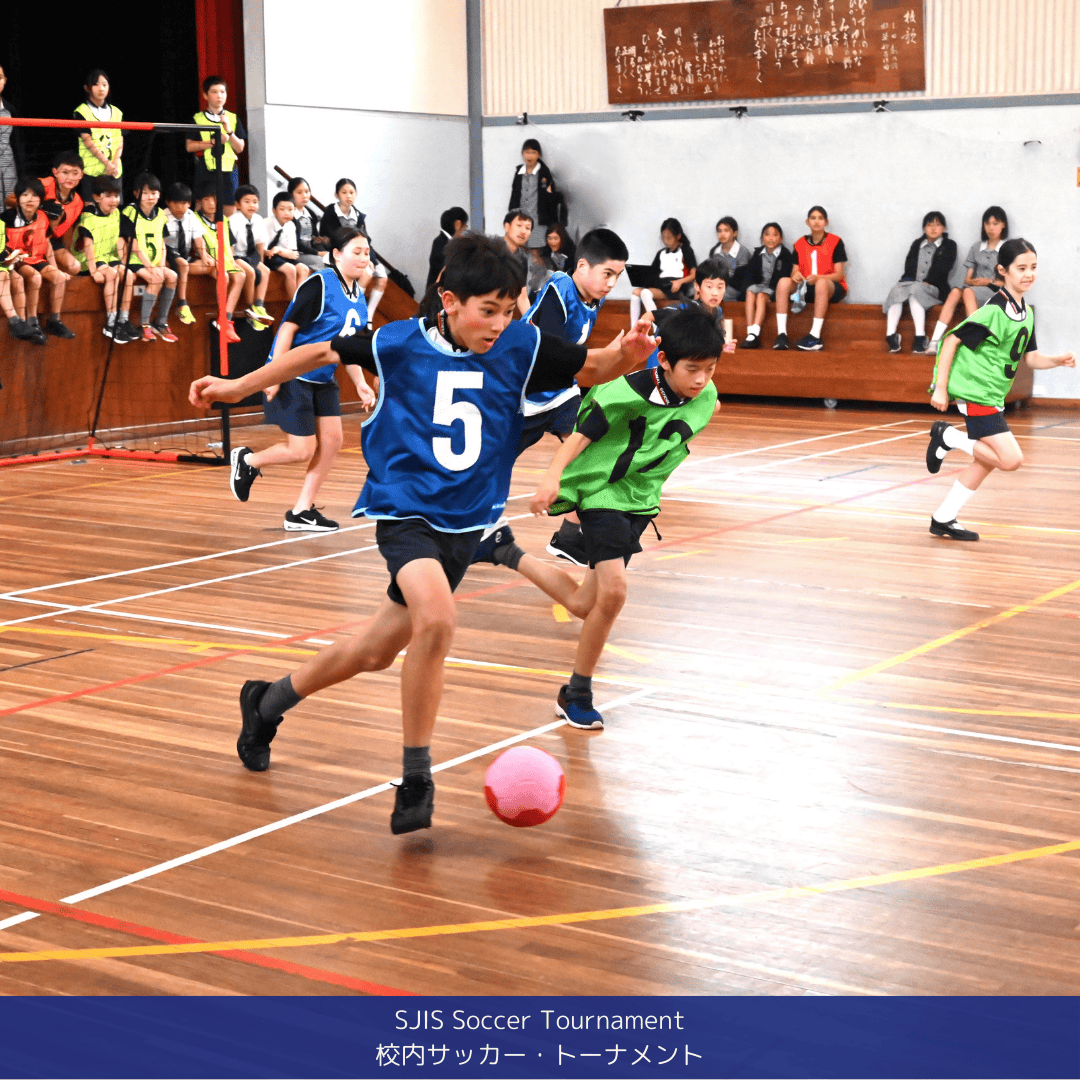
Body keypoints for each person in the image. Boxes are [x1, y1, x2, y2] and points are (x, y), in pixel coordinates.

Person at [187, 233, 657, 833]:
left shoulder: (520, 342)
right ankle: (416, 777)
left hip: (468, 523)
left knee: (374, 651)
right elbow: (320, 354)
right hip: (405, 513)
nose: (499, 323)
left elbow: (593, 366)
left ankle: (266, 701)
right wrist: (237, 386)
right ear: (449, 298)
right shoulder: (397, 341)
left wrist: (629, 355)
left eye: (509, 310)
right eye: (488, 310)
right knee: (437, 620)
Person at [493, 309, 722, 731]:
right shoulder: (620, 394)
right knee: (614, 591)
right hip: (601, 495)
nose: (701, 380)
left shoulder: (706, 399)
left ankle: (504, 550)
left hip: (639, 501)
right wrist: (551, 481)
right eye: (692, 369)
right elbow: (575, 440)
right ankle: (578, 691)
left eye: (710, 369)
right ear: (664, 360)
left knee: (585, 604)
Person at [492, 227, 630, 569]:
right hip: (521, 394)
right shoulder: (560, 291)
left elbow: (571, 360)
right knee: (491, 466)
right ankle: (467, 524)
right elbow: (552, 352)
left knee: (593, 453)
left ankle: (568, 538)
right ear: (582, 267)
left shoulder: (592, 296)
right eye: (607, 273)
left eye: (618, 276)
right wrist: (610, 354)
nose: (612, 283)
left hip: (560, 392)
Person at [227, 227, 377, 532]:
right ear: (336, 255)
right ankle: (249, 462)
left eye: (366, 253)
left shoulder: (359, 298)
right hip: (295, 373)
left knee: (333, 442)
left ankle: (301, 511)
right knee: (302, 450)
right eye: (356, 252)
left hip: (324, 378)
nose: (363, 258)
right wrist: (274, 373)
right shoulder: (319, 284)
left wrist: (360, 383)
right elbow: (287, 329)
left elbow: (345, 349)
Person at [924, 238, 1074, 541]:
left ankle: (943, 518)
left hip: (993, 395)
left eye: (1033, 267)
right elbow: (952, 340)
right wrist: (940, 388)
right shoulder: (994, 311)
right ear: (1002, 271)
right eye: (1021, 268)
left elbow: (1030, 358)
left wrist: (1056, 360)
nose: (1029, 273)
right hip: (976, 394)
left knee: (985, 462)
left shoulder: (1026, 312)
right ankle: (947, 435)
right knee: (1010, 459)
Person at [924, 206, 1008, 354]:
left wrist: (988, 282)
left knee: (968, 292)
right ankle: (935, 341)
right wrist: (975, 281)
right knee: (956, 292)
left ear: (1003, 225)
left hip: (996, 290)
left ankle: (976, 337)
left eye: (995, 223)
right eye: (987, 223)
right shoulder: (976, 247)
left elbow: (1008, 283)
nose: (991, 227)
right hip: (974, 289)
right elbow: (967, 279)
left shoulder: (1007, 249)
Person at [1, 176, 72, 344]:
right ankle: (31, 321)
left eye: (34, 196)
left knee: (60, 278)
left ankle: (54, 320)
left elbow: (46, 243)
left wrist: (55, 268)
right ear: (18, 198)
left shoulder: (42, 216)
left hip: (36, 258)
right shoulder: (6, 218)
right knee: (35, 276)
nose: (29, 199)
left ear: (40, 200)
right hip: (15, 261)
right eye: (25, 195)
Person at [883, 211, 957, 355]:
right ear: (924, 228)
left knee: (915, 290)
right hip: (913, 284)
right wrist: (908, 282)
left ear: (944, 228)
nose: (933, 228)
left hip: (935, 287)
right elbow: (909, 266)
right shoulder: (917, 244)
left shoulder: (949, 245)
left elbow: (945, 267)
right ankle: (891, 335)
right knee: (897, 289)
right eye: (929, 225)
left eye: (937, 225)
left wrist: (930, 281)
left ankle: (920, 337)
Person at [775, 205, 847, 352]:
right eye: (813, 218)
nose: (816, 222)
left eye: (820, 218)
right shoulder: (800, 243)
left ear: (826, 222)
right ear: (807, 222)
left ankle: (815, 336)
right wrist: (796, 276)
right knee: (783, 282)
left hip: (831, 287)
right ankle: (781, 334)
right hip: (806, 287)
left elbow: (839, 274)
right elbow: (794, 271)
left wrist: (819, 278)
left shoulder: (836, 241)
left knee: (821, 283)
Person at [74, 175, 136, 342]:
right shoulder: (88, 215)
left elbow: (119, 241)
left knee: (129, 275)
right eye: (108, 196)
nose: (113, 200)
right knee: (112, 275)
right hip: (89, 259)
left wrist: (123, 261)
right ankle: (110, 323)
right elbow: (87, 245)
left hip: (108, 257)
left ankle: (123, 320)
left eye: (116, 196)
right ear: (96, 197)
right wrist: (93, 270)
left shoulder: (116, 214)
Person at [318, 180, 386, 328]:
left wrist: (369, 258)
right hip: (341, 255)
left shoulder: (358, 215)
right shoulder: (330, 214)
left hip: (358, 254)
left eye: (351, 192)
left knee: (382, 277)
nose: (348, 196)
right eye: (344, 192)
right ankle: (351, 308)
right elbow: (327, 239)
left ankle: (368, 317)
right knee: (365, 274)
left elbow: (366, 240)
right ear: (337, 195)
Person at [121, 172, 178, 341]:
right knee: (155, 279)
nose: (150, 197)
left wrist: (160, 264)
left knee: (173, 276)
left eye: (153, 193)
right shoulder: (130, 212)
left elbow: (161, 242)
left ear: (159, 195)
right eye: (145, 193)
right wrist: (149, 267)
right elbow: (134, 245)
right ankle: (144, 325)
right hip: (136, 261)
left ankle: (161, 322)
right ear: (136, 194)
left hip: (154, 261)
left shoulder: (160, 214)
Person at [186, 75, 246, 215]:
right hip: (206, 169)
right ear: (205, 95)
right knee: (202, 207)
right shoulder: (197, 118)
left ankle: (226, 236)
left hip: (229, 170)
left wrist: (229, 131)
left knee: (229, 209)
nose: (219, 96)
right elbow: (189, 146)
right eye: (214, 92)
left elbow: (240, 148)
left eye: (222, 92)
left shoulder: (233, 118)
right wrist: (213, 142)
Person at [193, 187, 247, 343]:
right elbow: (196, 245)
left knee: (241, 275)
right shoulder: (195, 219)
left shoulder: (223, 219)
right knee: (223, 276)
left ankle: (226, 320)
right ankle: (222, 316)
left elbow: (229, 245)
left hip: (225, 260)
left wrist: (232, 261)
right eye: (207, 199)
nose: (212, 203)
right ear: (199, 202)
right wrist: (208, 258)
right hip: (207, 261)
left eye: (215, 199)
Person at [629, 217, 697, 326]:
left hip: (675, 287)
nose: (666, 241)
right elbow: (652, 273)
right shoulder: (661, 253)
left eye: (669, 237)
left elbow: (694, 274)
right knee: (635, 292)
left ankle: (657, 327)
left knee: (645, 293)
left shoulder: (685, 250)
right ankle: (633, 327)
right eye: (663, 238)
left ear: (678, 236)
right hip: (661, 285)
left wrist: (680, 282)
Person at [740, 223, 794, 349]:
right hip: (760, 285)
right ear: (762, 238)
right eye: (767, 235)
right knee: (750, 291)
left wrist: (773, 293)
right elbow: (750, 273)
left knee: (761, 296)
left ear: (781, 239)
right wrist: (750, 286)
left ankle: (756, 331)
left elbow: (784, 277)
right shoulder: (758, 253)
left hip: (774, 288)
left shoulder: (785, 255)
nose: (771, 238)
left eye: (775, 235)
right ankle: (750, 332)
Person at [229, 183, 273, 329]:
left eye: (255, 202)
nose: (251, 205)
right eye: (246, 201)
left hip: (250, 255)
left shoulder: (258, 220)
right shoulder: (232, 220)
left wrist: (260, 262)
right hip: (236, 256)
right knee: (250, 272)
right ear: (238, 204)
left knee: (265, 271)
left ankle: (259, 304)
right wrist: (232, 263)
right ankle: (250, 308)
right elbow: (230, 247)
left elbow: (260, 245)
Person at [74, 70, 122, 201]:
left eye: (105, 84)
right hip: (92, 173)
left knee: (114, 208)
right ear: (87, 88)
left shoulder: (117, 112)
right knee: (91, 209)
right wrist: (107, 164)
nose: (101, 88)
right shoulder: (81, 111)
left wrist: (114, 164)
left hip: (114, 171)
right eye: (96, 84)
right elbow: (87, 141)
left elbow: (120, 139)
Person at [163, 181, 207, 325]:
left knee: (214, 266)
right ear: (168, 202)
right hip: (169, 252)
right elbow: (160, 242)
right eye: (177, 203)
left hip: (186, 253)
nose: (181, 207)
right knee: (183, 264)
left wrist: (205, 256)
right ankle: (182, 303)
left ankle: (223, 313)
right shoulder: (162, 216)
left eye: (185, 203)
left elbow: (199, 240)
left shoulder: (191, 215)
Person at [38, 151, 84, 277]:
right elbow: (10, 200)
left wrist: (66, 253)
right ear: (55, 172)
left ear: (81, 175)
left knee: (74, 267)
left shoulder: (78, 202)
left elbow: (66, 232)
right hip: (29, 235)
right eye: (65, 172)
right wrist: (41, 206)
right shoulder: (44, 184)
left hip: (51, 240)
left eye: (75, 173)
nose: (70, 178)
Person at [509, 138, 558, 250]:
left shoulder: (545, 174)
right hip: (520, 220)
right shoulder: (519, 173)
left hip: (538, 220)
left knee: (536, 252)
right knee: (521, 249)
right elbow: (514, 195)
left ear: (539, 155)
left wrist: (552, 220)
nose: (530, 156)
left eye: (533, 152)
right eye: (527, 152)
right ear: (522, 154)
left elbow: (551, 199)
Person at [266, 192, 310, 298]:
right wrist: (278, 251)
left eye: (290, 209)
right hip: (269, 256)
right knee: (291, 269)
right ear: (274, 211)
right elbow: (264, 251)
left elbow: (291, 252)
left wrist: (280, 251)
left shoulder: (291, 225)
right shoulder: (266, 223)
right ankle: (293, 306)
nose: (286, 213)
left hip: (283, 254)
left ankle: (299, 301)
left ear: (295, 210)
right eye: (282, 209)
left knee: (304, 269)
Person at [286, 176, 327, 273]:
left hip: (311, 253)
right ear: (291, 194)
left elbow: (315, 239)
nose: (304, 195)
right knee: (324, 264)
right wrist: (318, 253)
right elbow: (296, 244)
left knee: (335, 260)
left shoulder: (310, 214)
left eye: (307, 191)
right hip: (297, 254)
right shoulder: (289, 216)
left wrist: (325, 252)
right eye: (299, 192)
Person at [708, 216, 752, 301]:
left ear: (735, 233)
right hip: (718, 284)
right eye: (719, 231)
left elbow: (740, 280)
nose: (722, 234)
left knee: (714, 295)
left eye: (726, 230)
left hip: (735, 288)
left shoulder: (743, 252)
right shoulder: (715, 251)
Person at [500, 209, 533, 315]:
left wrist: (530, 322)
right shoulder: (492, 250)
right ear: (507, 226)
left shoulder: (522, 257)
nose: (523, 231)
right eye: (519, 225)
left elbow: (522, 297)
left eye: (527, 228)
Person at [427, 206, 468, 290]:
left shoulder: (443, 241)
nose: (464, 230)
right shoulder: (441, 244)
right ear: (457, 224)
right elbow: (450, 272)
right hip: (438, 295)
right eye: (465, 226)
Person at [0, 65, 19, 208]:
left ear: (5, 80)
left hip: (8, 167)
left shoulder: (11, 110)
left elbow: (18, 144)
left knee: (10, 205)